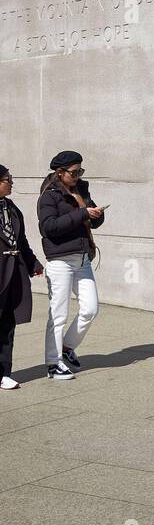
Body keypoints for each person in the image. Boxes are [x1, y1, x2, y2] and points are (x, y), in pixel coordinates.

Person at [37, 152, 105, 381]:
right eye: (74, 172)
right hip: (60, 261)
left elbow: (92, 222)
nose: (77, 176)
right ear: (60, 172)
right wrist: (82, 213)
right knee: (58, 314)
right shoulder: (49, 196)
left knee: (90, 309)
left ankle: (66, 348)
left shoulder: (81, 191)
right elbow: (50, 228)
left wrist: (95, 214)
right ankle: (53, 363)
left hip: (82, 259)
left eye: (80, 172)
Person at [0, 165, 44, 389]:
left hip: (13, 273)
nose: (11, 183)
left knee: (7, 324)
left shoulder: (11, 207)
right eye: (8, 179)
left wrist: (33, 263)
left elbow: (21, 241)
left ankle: (4, 372)